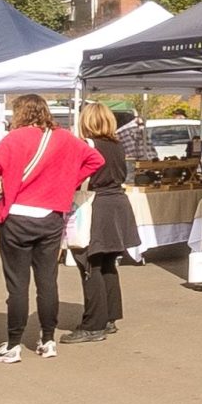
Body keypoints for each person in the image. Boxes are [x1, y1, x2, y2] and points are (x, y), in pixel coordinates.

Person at [0, 95, 102, 362]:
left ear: (19, 112)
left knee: (17, 285)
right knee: (48, 281)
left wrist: (0, 186)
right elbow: (95, 160)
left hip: (17, 217)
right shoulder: (66, 138)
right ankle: (47, 339)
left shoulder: (13, 139)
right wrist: (67, 184)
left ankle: (13, 344)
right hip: (50, 217)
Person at [65, 101, 139, 344]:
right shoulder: (117, 145)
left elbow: (77, 178)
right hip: (117, 204)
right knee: (107, 263)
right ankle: (110, 317)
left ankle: (93, 324)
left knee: (89, 264)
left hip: (95, 206)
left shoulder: (86, 146)